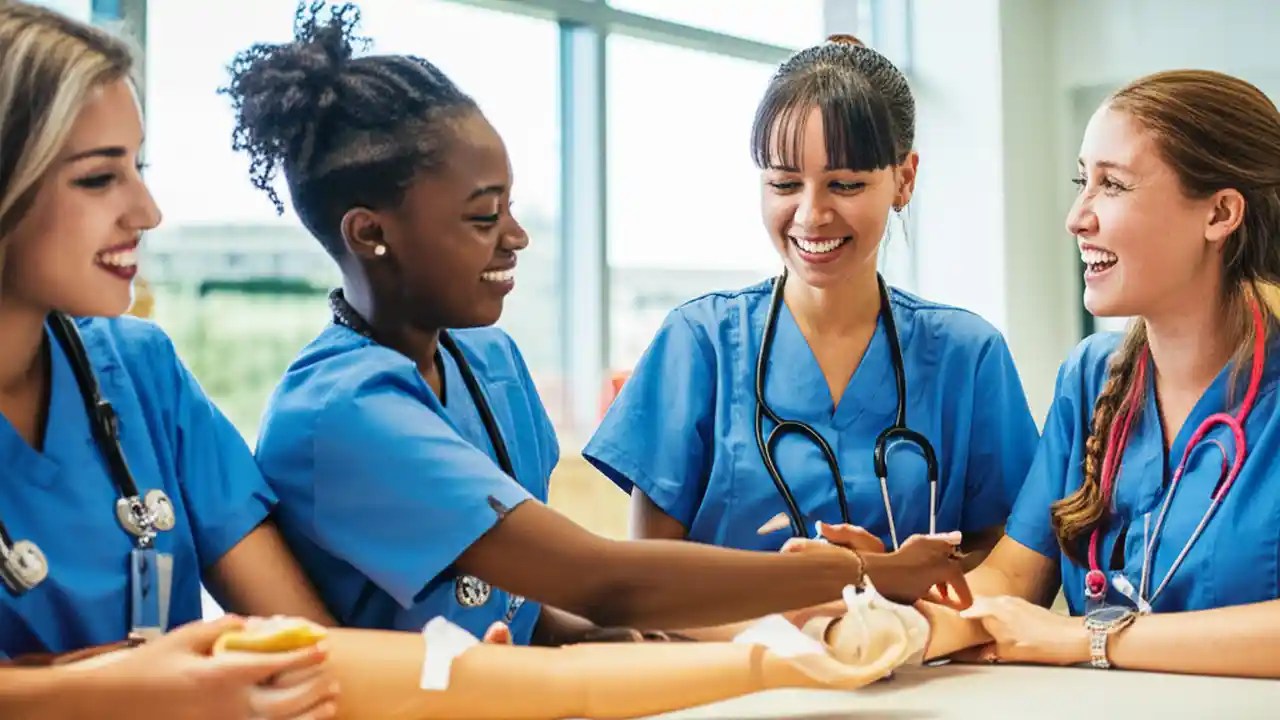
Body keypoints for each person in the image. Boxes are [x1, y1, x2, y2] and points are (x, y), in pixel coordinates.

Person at [236, 2, 970, 648]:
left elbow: (530, 605)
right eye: (484, 215)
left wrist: (619, 641)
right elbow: (598, 574)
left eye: (511, 207)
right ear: (369, 234)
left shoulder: (489, 364)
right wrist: (867, 573)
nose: (516, 235)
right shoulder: (339, 411)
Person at [863, 69, 1280, 679]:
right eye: (1084, 180)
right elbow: (1012, 578)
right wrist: (881, 619)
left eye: (1112, 184)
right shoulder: (1092, 378)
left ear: (1219, 212)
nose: (1077, 217)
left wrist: (1089, 638)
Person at [584, 35, 1039, 566]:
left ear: (904, 178)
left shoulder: (968, 356)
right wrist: (785, 595)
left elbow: (1012, 566)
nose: (809, 214)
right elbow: (651, 574)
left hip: (916, 649)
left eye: (844, 184)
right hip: (735, 649)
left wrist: (886, 581)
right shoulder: (700, 342)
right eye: (784, 184)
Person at [0, 4, 338, 712]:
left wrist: (453, 672)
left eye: (138, 167)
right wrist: (120, 690)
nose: (147, 211)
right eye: (99, 179)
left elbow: (307, 646)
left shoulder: (141, 374)